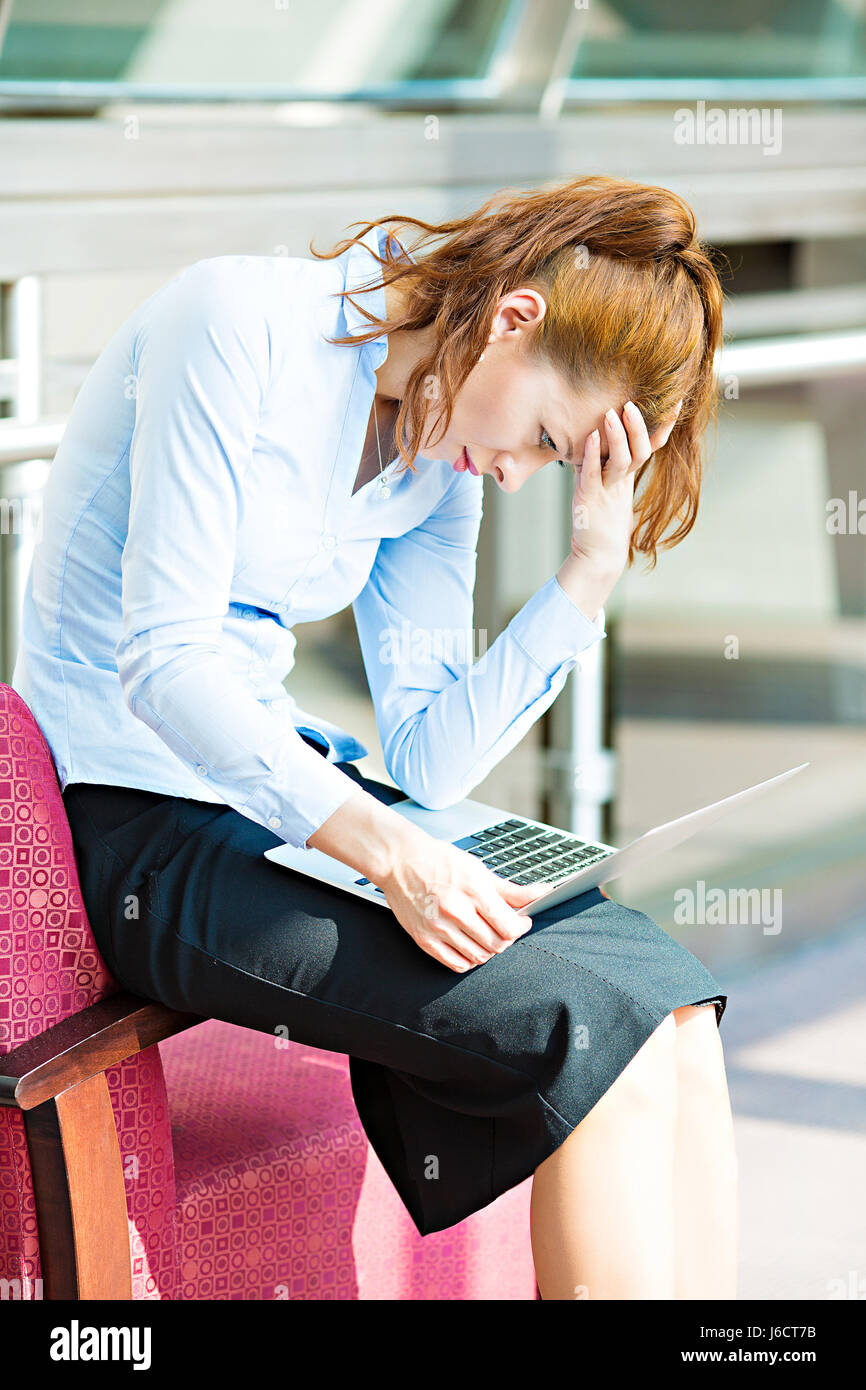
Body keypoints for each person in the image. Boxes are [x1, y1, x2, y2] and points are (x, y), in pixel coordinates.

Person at [13, 175, 735, 1300]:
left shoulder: (440, 450)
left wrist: (586, 573)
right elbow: (166, 662)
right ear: (512, 319)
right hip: (137, 818)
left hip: (288, 802)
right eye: (544, 438)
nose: (519, 473)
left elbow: (433, 755)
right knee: (594, 1036)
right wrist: (394, 856)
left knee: (676, 1007)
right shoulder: (234, 324)